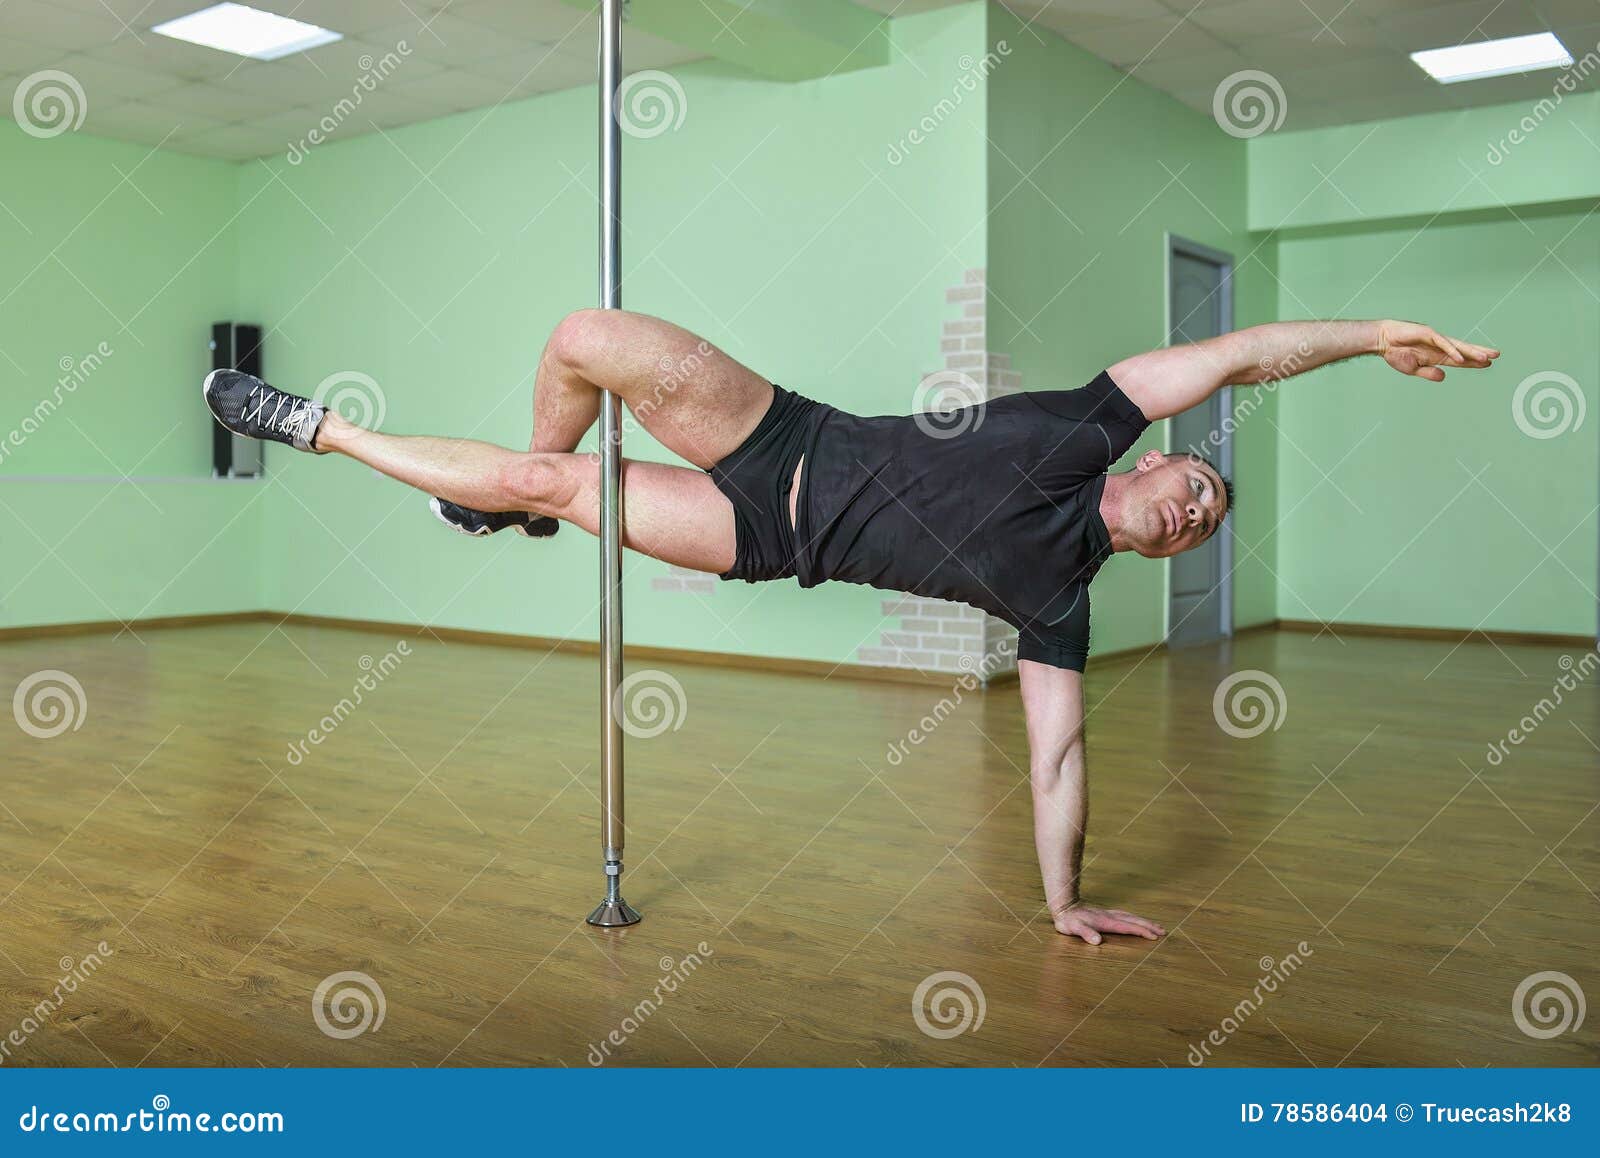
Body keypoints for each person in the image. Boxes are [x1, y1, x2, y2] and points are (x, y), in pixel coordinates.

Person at [202, 311, 1497, 943]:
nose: (1191, 515)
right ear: (1163, 461)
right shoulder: (1102, 413)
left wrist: (1067, 901)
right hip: (784, 432)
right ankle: (517, 506)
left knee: (548, 481)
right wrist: (1371, 335)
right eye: (1199, 488)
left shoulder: (1057, 597)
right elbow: (1242, 353)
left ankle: (320, 429)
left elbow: (1056, 759)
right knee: (583, 337)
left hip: (769, 537)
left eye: (1204, 528)